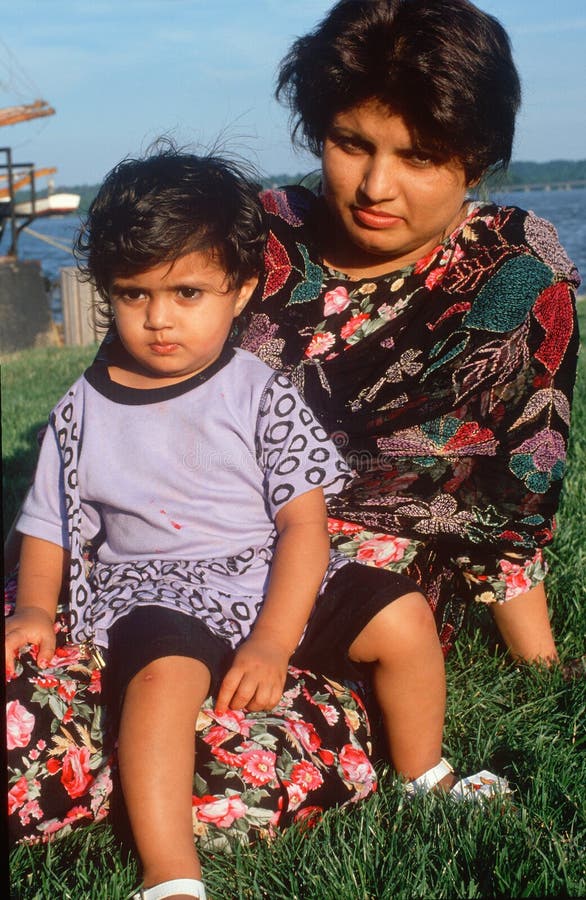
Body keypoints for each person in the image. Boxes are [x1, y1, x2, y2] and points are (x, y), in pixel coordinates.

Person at [5, 148, 506, 900]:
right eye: (134, 295)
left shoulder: (258, 391)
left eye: (188, 292)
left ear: (239, 291)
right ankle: (170, 872)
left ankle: (423, 772)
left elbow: (305, 526)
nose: (161, 318)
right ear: (107, 293)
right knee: (160, 687)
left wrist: (275, 637)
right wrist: (37, 608)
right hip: (154, 589)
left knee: (402, 616)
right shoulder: (82, 410)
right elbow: (49, 523)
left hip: (261, 565)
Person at [239, 0, 580, 665]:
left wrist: (541, 664)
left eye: (419, 156)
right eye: (351, 144)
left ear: (476, 163)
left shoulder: (516, 275)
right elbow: (124, 406)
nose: (375, 186)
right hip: (190, 532)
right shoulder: (251, 238)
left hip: (372, 590)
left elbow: (514, 497)